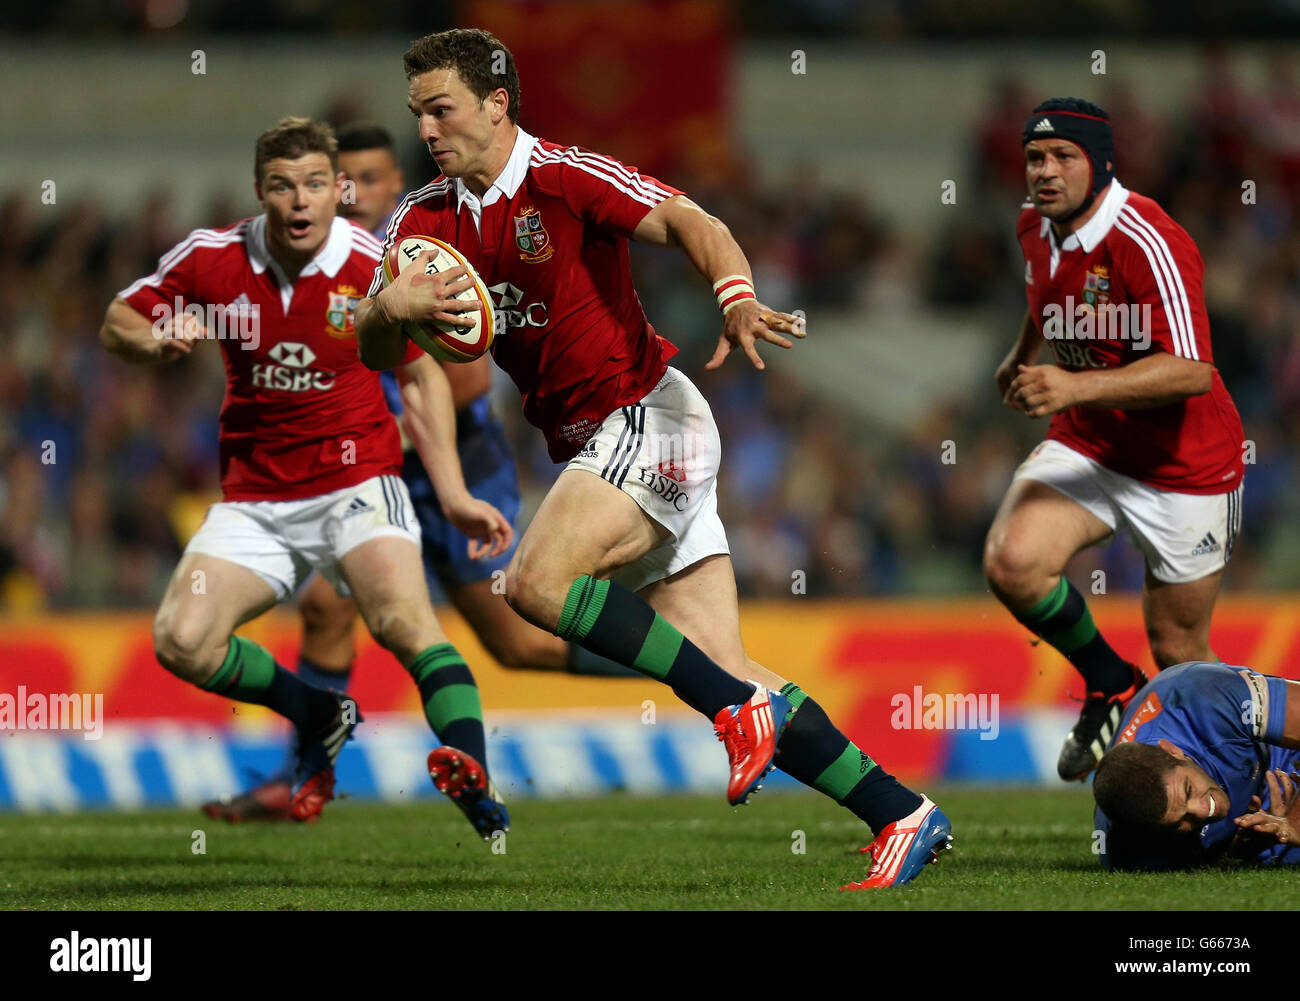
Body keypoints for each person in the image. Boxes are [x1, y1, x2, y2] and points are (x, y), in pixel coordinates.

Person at [355, 27, 952, 890]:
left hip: (646, 414)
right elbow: (376, 349)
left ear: (495, 104)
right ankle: (900, 811)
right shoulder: (421, 221)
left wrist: (737, 293)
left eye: (441, 110)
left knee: (535, 586)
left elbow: (686, 218)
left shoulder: (566, 176)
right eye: (417, 114)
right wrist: (393, 306)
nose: (427, 130)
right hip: (602, 442)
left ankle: (732, 709)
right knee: (725, 662)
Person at [203, 122, 635, 823]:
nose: (354, 193)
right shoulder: (328, 265)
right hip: (376, 477)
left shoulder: (426, 256)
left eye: (370, 179)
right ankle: (305, 775)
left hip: (457, 465)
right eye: (343, 181)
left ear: (394, 186)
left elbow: (461, 387)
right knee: (324, 606)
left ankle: (687, 673)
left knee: (519, 641)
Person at [100, 116, 513, 839]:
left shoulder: (375, 264)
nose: (300, 202)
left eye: (316, 185)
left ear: (338, 191)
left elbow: (421, 379)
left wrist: (451, 493)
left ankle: (471, 771)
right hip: (257, 498)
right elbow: (118, 321)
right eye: (284, 187)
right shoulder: (212, 259)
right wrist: (154, 338)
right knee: (182, 640)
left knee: (404, 625)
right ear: (260, 192)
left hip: (359, 484)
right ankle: (317, 710)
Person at [983, 97, 1246, 783]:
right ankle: (1110, 683)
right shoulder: (1032, 227)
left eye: (1063, 156)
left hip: (1183, 464)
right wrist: (1020, 355)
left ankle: (1238, 779)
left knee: (1179, 648)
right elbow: (1046, 296)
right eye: (1035, 157)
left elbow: (1192, 371)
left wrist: (1072, 387)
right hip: (1094, 442)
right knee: (1013, 561)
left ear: (1099, 164)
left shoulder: (1147, 237)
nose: (1045, 172)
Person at [1092, 661, 1300, 871]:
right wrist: (1238, 846)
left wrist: (1293, 821)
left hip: (1281, 749)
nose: (1203, 811)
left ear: (1172, 751)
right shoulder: (1130, 854)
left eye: (1188, 789)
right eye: (1179, 823)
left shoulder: (1206, 699)